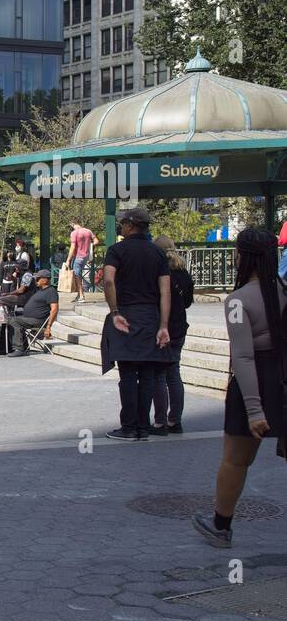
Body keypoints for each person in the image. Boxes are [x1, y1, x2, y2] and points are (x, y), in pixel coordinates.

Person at [195, 228, 286, 548]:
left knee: (235, 460)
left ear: (242, 256)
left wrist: (254, 409)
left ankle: (221, 527)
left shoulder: (238, 300)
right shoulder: (284, 290)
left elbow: (244, 358)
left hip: (254, 384)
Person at [100, 206, 171, 441]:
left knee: (128, 374)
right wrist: (164, 325)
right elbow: (165, 292)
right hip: (151, 317)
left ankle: (129, 426)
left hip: (126, 315)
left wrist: (114, 311)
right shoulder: (158, 253)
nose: (120, 227)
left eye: (122, 223)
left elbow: (109, 282)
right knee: (148, 375)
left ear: (130, 225)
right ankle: (143, 426)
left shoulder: (116, 251)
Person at [151, 236, 194, 435]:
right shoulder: (184, 272)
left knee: (159, 374)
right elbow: (187, 302)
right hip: (180, 327)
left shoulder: (159, 271)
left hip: (162, 326)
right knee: (174, 373)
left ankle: (159, 422)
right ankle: (175, 420)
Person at [7, 270, 59, 355]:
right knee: (10, 318)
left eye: (38, 279)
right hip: (30, 318)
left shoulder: (51, 291)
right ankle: (22, 346)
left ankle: (19, 349)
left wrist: (48, 327)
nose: (36, 281)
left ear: (45, 280)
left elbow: (54, 309)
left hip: (38, 320)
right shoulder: (40, 290)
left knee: (14, 321)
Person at [67, 220, 99, 302]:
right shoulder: (88, 231)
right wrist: (90, 245)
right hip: (86, 257)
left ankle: (81, 296)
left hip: (78, 257)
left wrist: (68, 260)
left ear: (73, 224)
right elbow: (96, 241)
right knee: (79, 275)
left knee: (77, 276)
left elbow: (72, 247)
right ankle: (79, 295)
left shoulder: (74, 233)